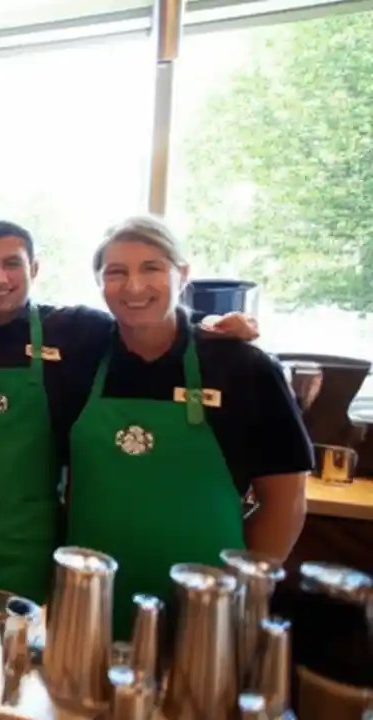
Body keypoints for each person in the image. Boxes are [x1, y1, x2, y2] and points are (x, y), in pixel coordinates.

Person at [0, 219, 265, 632]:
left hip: (23, 538)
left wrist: (210, 324)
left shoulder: (74, 331)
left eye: (12, 264)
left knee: (12, 655)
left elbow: (150, 323)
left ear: (35, 269)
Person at [65, 216, 310, 639]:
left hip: (206, 606)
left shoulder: (242, 367)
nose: (134, 287)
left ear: (183, 274)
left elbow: (284, 503)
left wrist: (242, 591)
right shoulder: (81, 357)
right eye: (116, 273)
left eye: (152, 268)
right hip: (94, 598)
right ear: (100, 283)